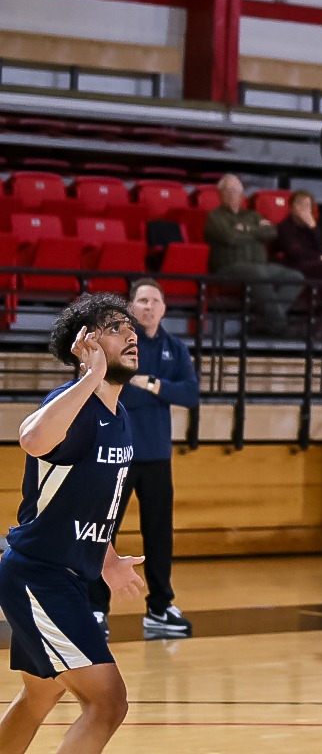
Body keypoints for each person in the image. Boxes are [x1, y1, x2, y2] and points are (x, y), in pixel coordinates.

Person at [0, 293, 147, 753]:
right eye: (114, 327)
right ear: (84, 343)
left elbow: (86, 503)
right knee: (109, 703)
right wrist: (89, 378)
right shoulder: (73, 405)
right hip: (38, 576)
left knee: (40, 694)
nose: (130, 333)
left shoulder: (119, 416)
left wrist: (106, 557)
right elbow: (31, 438)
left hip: (60, 576)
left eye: (131, 327)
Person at [87, 279, 199, 639]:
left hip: (156, 456)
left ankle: (160, 608)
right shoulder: (120, 341)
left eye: (155, 301)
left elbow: (191, 393)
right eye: (141, 300)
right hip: (116, 455)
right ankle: (95, 609)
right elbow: (99, 382)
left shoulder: (174, 347)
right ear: (131, 306)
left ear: (164, 308)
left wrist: (151, 383)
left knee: (159, 534)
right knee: (104, 533)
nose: (148, 306)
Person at [204, 174, 305, 337]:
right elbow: (230, 238)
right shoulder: (215, 216)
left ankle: (264, 323)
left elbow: (271, 232)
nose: (232, 194)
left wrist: (243, 229)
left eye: (236, 190)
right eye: (228, 190)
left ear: (242, 193)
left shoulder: (251, 215)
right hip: (228, 269)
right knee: (257, 274)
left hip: (260, 266)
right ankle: (279, 324)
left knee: (295, 276)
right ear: (220, 193)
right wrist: (255, 231)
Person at [274, 190, 322, 285]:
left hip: (315, 266)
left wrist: (313, 228)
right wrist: (319, 257)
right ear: (291, 208)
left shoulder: (313, 227)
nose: (303, 209)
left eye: (307, 205)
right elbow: (295, 252)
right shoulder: (284, 227)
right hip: (296, 267)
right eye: (300, 204)